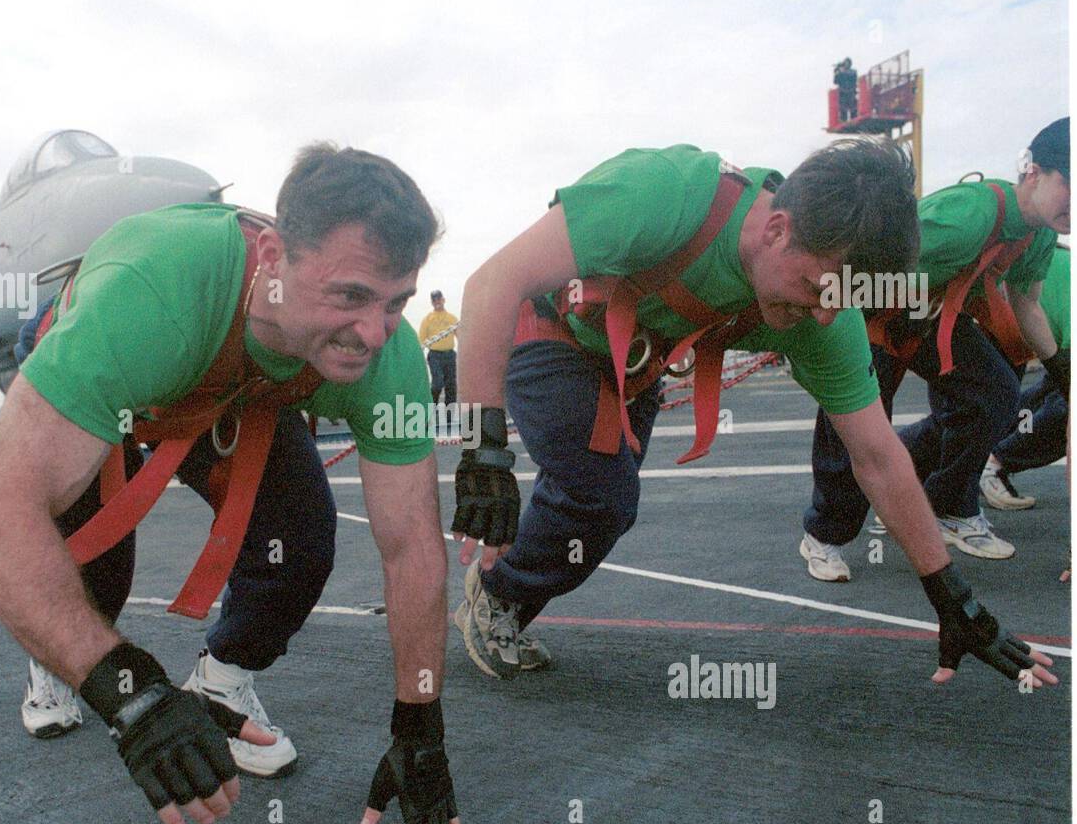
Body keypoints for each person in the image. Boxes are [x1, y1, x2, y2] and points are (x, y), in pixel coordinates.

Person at [0, 144, 461, 824]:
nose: (375, 332)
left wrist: (421, 722)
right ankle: (53, 666)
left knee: (301, 541)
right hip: (135, 382)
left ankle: (221, 678)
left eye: (397, 301)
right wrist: (132, 696)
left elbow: (413, 545)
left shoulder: (383, 352)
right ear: (274, 255)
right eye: (350, 295)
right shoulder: (151, 292)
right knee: (93, 579)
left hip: (237, 390)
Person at [450, 139, 1057, 691]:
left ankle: (501, 599)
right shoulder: (665, 191)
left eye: (841, 302)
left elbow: (877, 455)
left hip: (631, 370)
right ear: (776, 229)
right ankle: (495, 598)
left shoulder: (828, 310)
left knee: (602, 510)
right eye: (820, 290)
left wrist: (952, 596)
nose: (824, 317)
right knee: (599, 494)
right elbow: (490, 284)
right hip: (550, 332)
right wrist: (485, 453)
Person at [801, 118, 1069, 578]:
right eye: (1070, 183)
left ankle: (948, 504)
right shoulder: (970, 216)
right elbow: (868, 254)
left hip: (925, 313)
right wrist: (822, 323)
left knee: (994, 392)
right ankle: (823, 536)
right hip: (866, 306)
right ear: (1034, 172)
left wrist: (1063, 373)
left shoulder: (1040, 233)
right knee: (855, 427)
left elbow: (1026, 303)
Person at [981, 244, 1070, 510]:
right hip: (1004, 308)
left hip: (1003, 299)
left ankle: (979, 459)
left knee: (1041, 398)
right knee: (1064, 407)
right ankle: (993, 463)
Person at [418, 289, 459, 432]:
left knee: (451, 386)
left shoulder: (452, 319)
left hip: (450, 355)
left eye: (439, 299)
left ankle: (449, 418)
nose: (437, 302)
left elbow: (460, 335)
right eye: (434, 300)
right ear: (432, 302)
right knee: (437, 383)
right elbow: (421, 341)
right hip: (435, 355)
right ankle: (429, 413)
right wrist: (419, 359)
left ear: (443, 299)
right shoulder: (428, 320)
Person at [834, 58, 858, 124]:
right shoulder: (841, 72)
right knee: (843, 108)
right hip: (843, 92)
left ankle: (853, 120)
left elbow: (853, 78)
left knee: (853, 108)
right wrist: (837, 71)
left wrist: (839, 70)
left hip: (851, 91)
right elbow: (836, 81)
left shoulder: (852, 72)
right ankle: (844, 120)